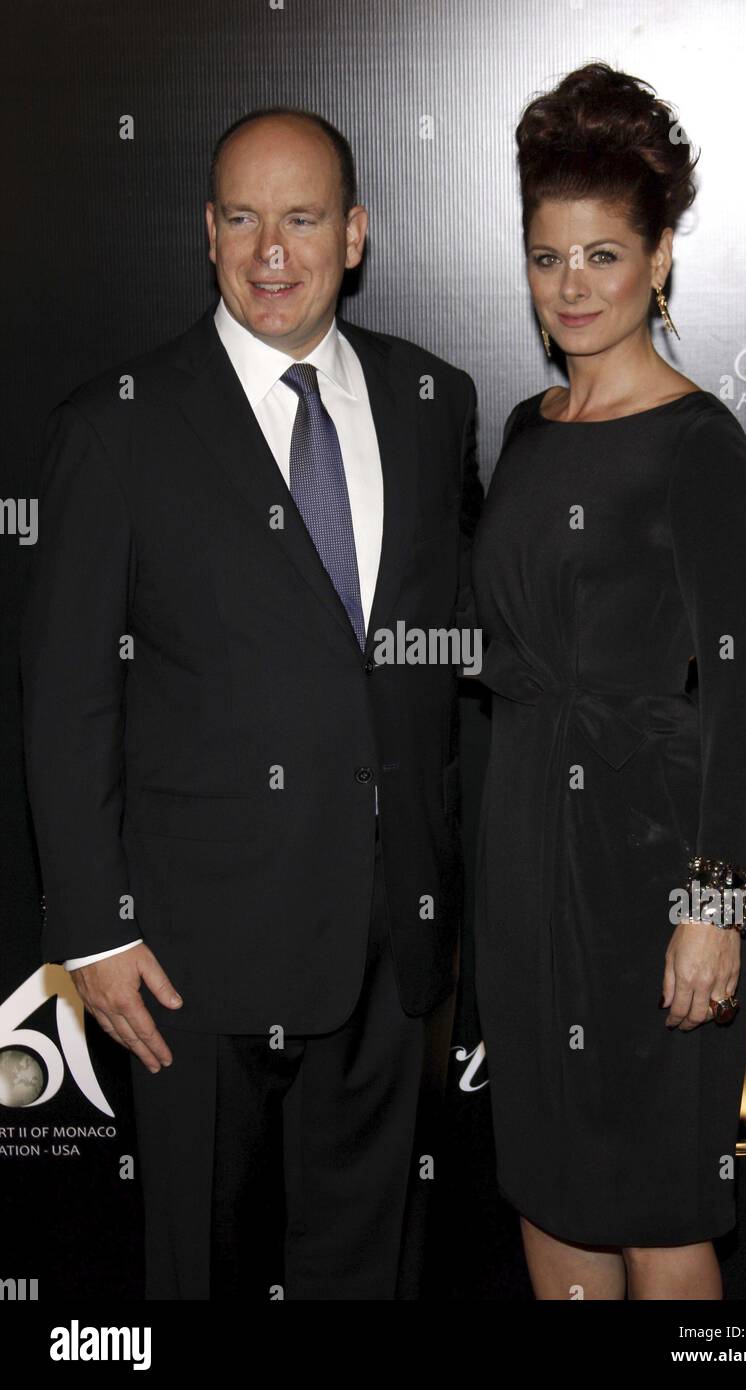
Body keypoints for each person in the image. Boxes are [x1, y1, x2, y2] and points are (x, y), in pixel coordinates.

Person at [20, 107, 481, 1300]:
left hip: (392, 947)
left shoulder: (435, 403)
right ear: (206, 231)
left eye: (303, 217)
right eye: (241, 217)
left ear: (357, 233)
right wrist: (97, 931)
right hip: (188, 957)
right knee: (197, 1281)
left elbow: (436, 665)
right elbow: (65, 698)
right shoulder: (113, 423)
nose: (271, 250)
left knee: (367, 1273)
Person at [471, 62, 746, 1300]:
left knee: (655, 1199)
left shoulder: (700, 440)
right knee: (548, 1183)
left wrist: (715, 904)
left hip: (650, 854)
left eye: (602, 255)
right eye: (548, 258)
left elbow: (745, 691)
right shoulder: (525, 429)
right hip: (523, 841)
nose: (573, 286)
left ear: (658, 260)